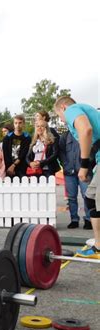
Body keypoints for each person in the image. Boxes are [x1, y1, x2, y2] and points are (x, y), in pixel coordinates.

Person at [54, 96, 100, 258]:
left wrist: (84, 165)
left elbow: (85, 130)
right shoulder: (87, 111)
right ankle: (98, 245)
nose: (62, 120)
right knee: (91, 199)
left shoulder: (72, 109)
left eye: (59, 116)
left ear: (64, 108)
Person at [58, 131, 92, 230]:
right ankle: (74, 220)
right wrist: (65, 164)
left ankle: (88, 219)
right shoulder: (65, 136)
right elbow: (61, 152)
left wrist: (87, 165)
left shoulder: (85, 133)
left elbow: (91, 149)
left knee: (87, 195)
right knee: (71, 197)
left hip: (84, 171)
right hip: (69, 172)